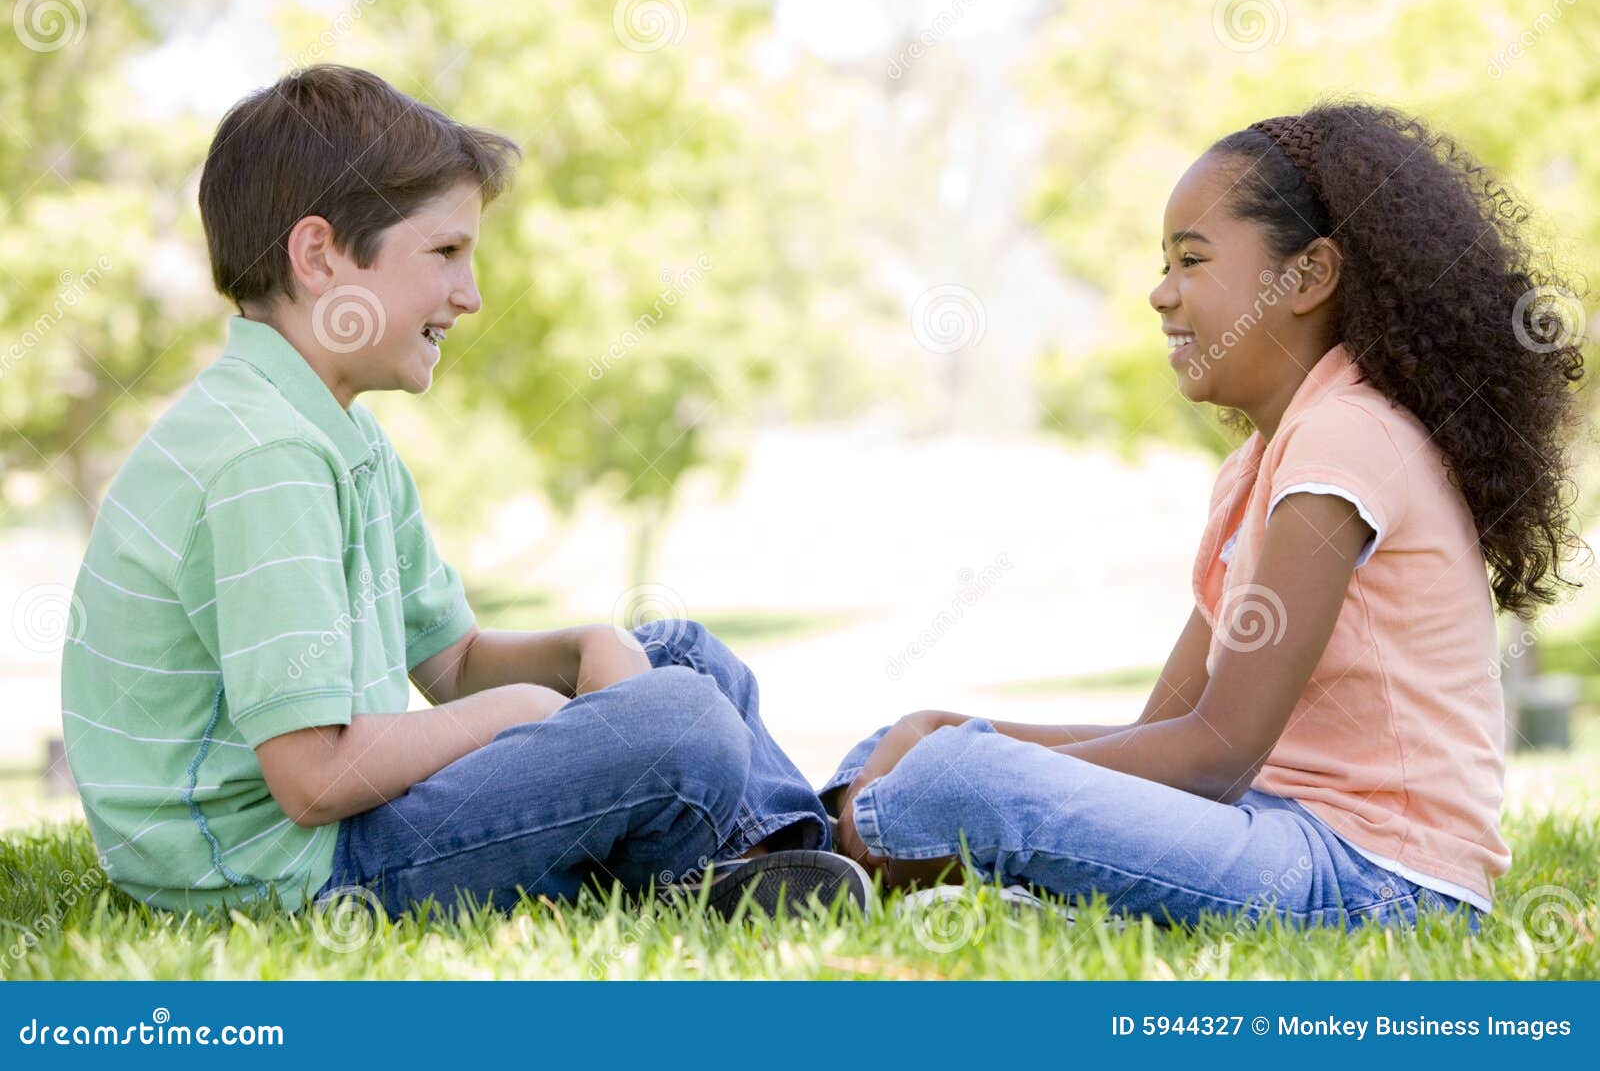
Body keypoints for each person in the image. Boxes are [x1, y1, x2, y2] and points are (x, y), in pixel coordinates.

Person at [59, 65, 866, 920]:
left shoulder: (341, 434)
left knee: (680, 655)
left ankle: (778, 861)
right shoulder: (264, 457)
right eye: (445, 252)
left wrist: (575, 652)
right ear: (320, 255)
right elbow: (313, 776)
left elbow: (450, 664)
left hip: (342, 820)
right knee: (678, 720)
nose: (469, 296)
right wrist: (524, 709)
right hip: (295, 871)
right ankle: (742, 868)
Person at [827, 102, 1587, 931]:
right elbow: (1163, 732)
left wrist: (966, 756)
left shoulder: (1348, 438)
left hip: (1382, 881)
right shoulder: (1259, 468)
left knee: (955, 778)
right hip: (1277, 834)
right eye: (1164, 264)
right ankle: (833, 852)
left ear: (1307, 276)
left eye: (1191, 260)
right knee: (900, 744)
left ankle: (831, 853)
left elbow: (1218, 753)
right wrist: (943, 726)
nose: (1160, 293)